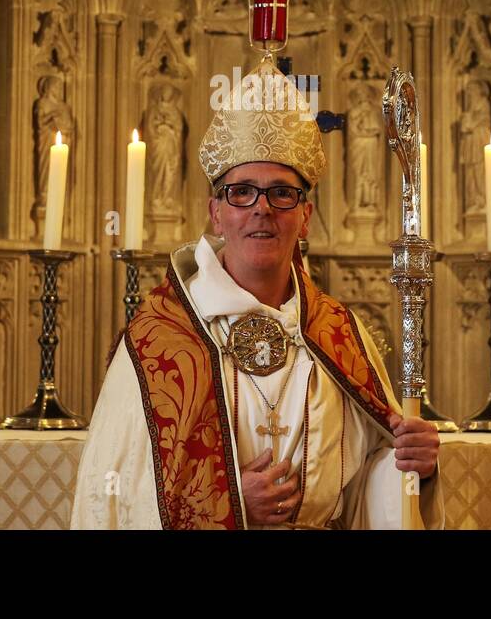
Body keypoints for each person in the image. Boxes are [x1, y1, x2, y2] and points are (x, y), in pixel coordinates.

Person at [72, 58, 442, 529]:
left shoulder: (338, 333)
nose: (261, 210)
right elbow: (111, 488)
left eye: (282, 194)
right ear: (215, 213)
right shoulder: (157, 339)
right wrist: (226, 503)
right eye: (241, 192)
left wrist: (414, 468)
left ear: (305, 217)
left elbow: (366, 476)